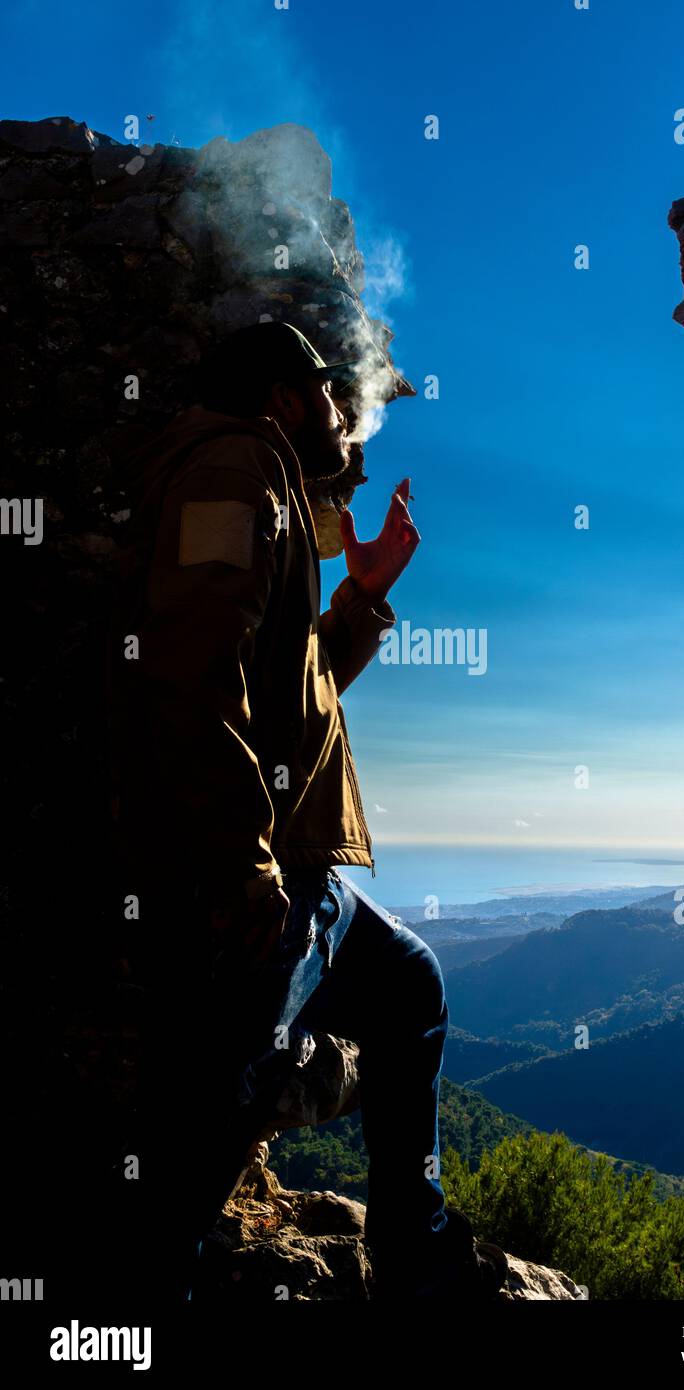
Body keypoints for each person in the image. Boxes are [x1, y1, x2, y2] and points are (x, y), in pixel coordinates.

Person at [105, 321, 508, 1301]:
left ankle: (409, 1241)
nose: (343, 414)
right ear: (285, 399)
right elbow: (190, 668)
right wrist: (242, 860)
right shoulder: (235, 468)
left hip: (293, 875)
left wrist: (364, 597)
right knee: (212, 1118)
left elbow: (294, 683)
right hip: (249, 872)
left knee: (408, 987)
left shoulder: (265, 483)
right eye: (331, 393)